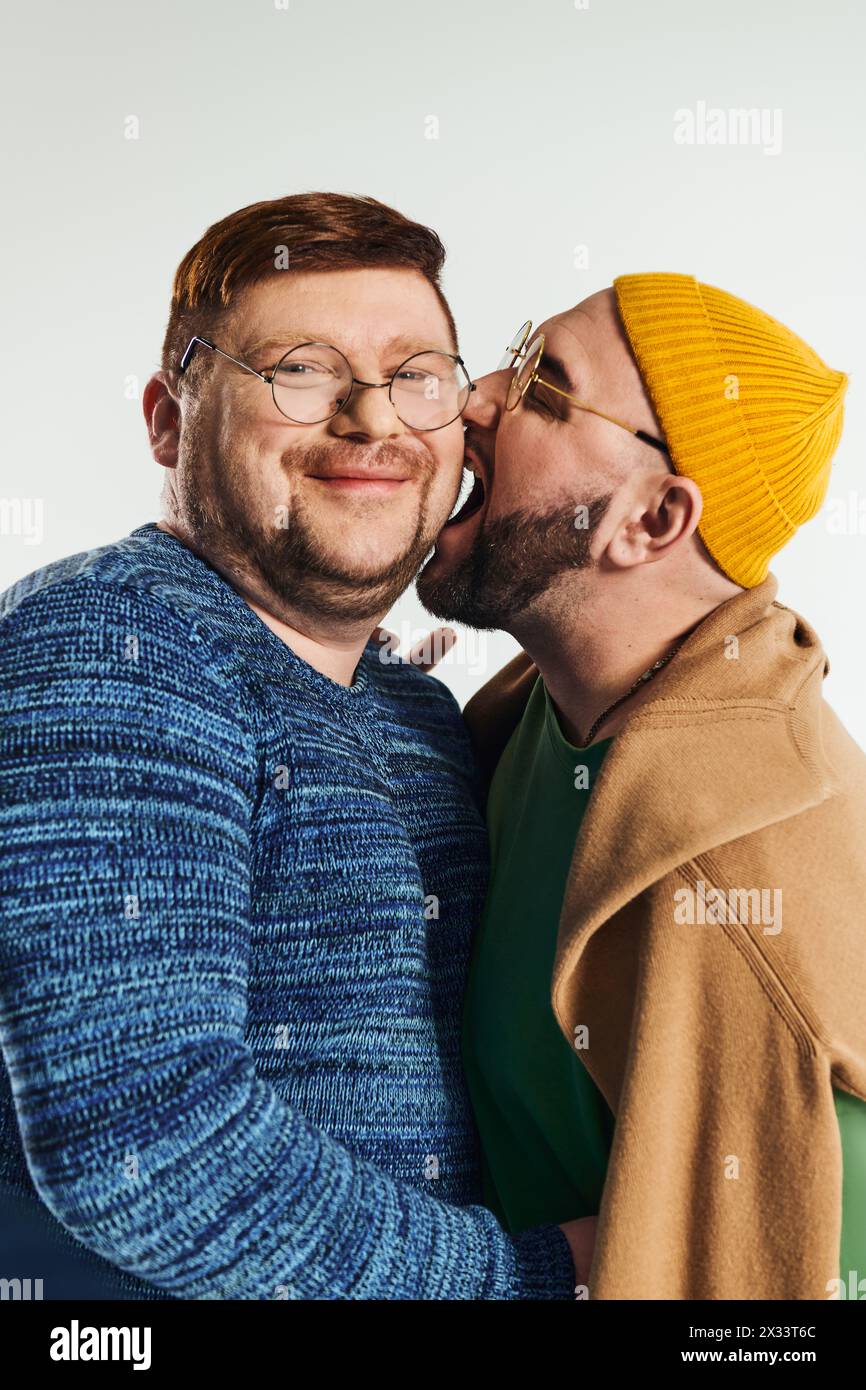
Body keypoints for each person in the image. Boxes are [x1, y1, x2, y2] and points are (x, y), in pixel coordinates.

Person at [0, 192, 586, 1300]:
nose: (372, 422)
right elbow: (147, 1152)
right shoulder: (111, 648)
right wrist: (533, 1280)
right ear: (168, 421)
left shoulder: (414, 711)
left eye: (417, 375)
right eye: (301, 370)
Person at [417, 274, 866, 1298]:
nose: (478, 392)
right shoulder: (546, 705)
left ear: (650, 518)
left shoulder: (729, 884)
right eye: (517, 352)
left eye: (544, 388)